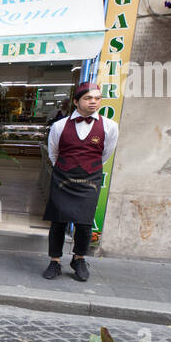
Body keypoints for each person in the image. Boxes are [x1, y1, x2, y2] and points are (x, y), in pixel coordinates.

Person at [41, 81, 118, 282]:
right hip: (63, 178)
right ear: (76, 101)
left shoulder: (110, 127)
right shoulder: (59, 126)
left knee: (84, 224)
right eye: (88, 98)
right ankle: (55, 261)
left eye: (97, 98)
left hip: (90, 179)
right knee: (58, 222)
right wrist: (68, 168)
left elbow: (105, 154)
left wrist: (86, 167)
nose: (93, 102)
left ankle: (79, 258)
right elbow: (53, 153)